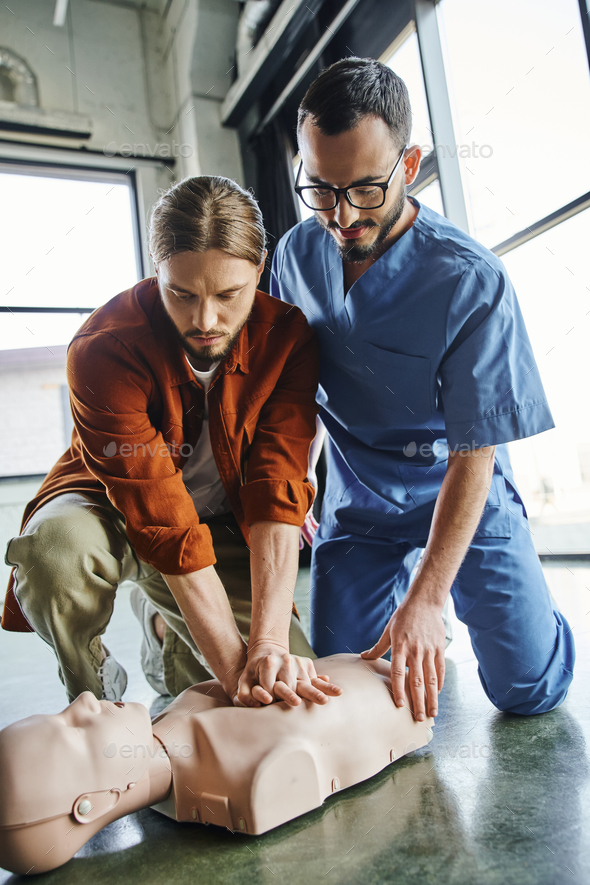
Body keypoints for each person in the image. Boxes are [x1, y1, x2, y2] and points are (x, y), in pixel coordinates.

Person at [271, 57, 575, 723]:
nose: (341, 215)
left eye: (364, 189)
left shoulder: (472, 280)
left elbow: (475, 452)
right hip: (359, 501)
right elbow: (294, 394)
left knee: (526, 691)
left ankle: (511, 605)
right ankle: (409, 587)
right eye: (320, 188)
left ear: (408, 165)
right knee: (344, 677)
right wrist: (293, 493)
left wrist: (431, 598)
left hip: (461, 486)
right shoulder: (293, 257)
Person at [3, 175, 341, 709]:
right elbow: (161, 517)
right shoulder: (103, 347)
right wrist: (235, 672)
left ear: (259, 269)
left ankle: (161, 625)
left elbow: (276, 489)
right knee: (55, 554)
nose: (205, 321)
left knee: (279, 683)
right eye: (181, 294)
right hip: (111, 509)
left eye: (228, 295)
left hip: (218, 521)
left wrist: (269, 646)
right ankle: (92, 684)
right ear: (156, 269)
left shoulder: (289, 340)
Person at [0, 653, 433, 876]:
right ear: (87, 806)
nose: (83, 700)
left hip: (373, 675)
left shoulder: (178, 717)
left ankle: (160, 630)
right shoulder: (249, 777)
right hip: (396, 693)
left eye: (63, 712)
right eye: (74, 731)